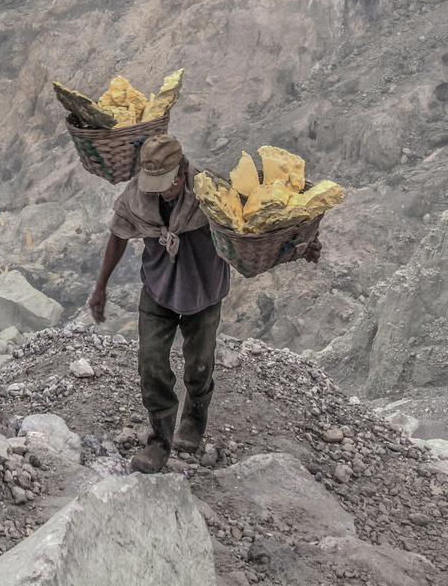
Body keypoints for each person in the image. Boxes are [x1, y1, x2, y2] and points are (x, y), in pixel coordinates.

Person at [87, 135, 320, 473]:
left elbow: (260, 228)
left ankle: (194, 419)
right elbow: (118, 235)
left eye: (168, 185)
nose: (162, 192)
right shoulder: (138, 195)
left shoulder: (212, 192)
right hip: (158, 287)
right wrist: (100, 287)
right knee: (150, 363)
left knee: (198, 364)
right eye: (156, 186)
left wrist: (302, 247)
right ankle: (159, 441)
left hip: (204, 289)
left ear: (182, 171)